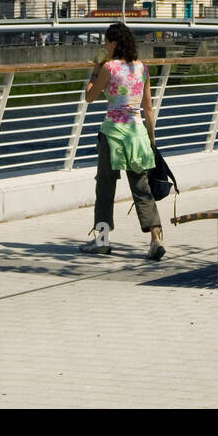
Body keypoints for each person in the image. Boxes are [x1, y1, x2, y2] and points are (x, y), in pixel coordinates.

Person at [79, 22, 165, 260]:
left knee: (105, 187)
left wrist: (95, 69)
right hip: (136, 133)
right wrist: (151, 137)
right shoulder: (142, 68)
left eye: (106, 42)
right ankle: (156, 238)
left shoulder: (109, 67)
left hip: (113, 134)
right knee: (141, 187)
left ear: (114, 43)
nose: (104, 46)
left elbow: (89, 96)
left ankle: (102, 240)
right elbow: (148, 108)